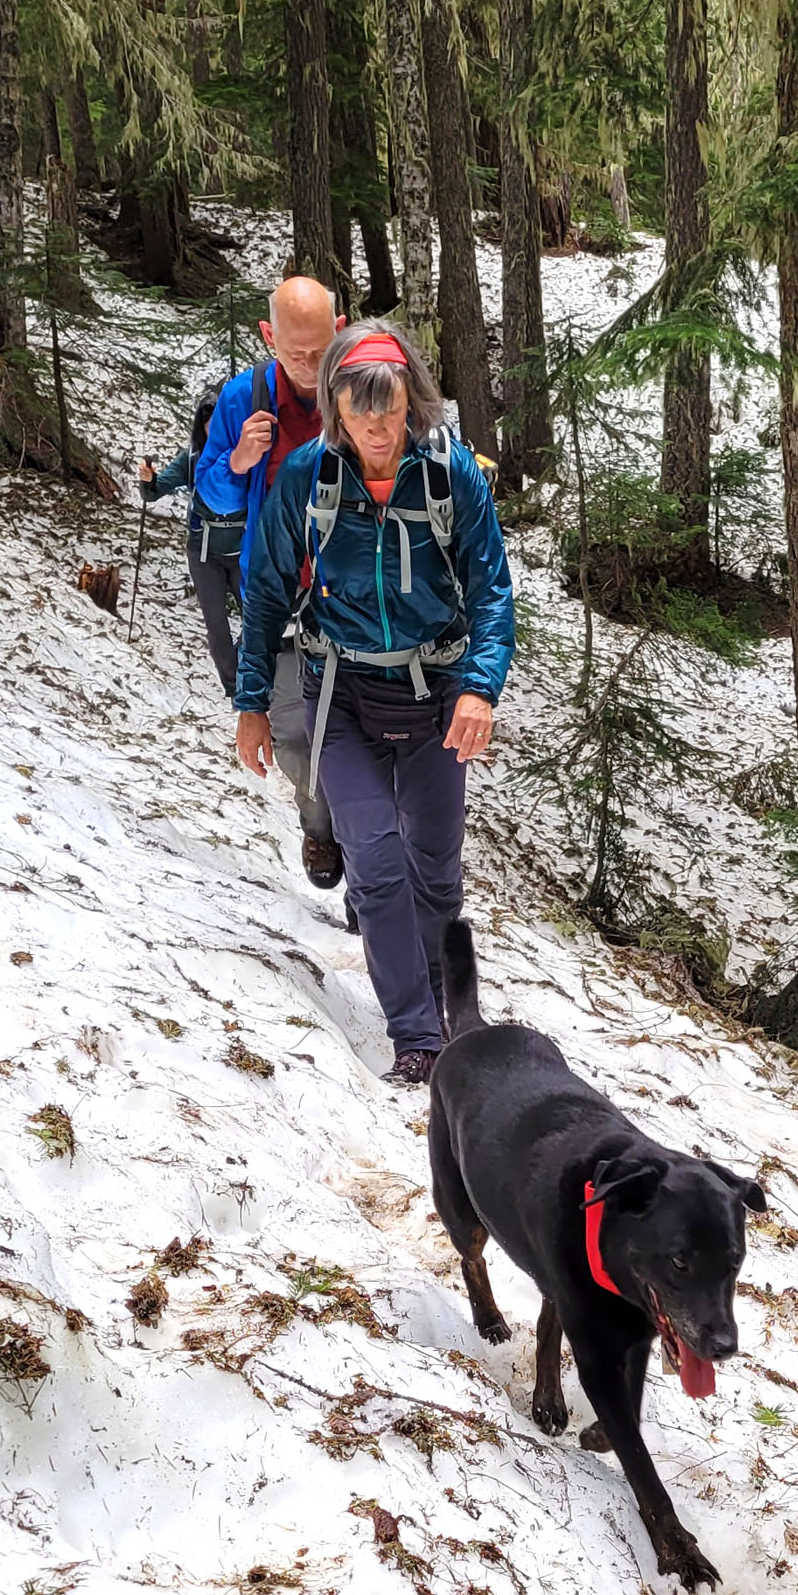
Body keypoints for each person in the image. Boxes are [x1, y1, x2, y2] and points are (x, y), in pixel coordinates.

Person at [236, 320, 514, 1086]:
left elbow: (492, 590)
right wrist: (252, 701)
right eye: (361, 413)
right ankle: (417, 1037)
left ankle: (450, 1010)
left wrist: (481, 689)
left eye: (389, 411)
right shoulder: (306, 478)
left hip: (436, 696)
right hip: (343, 697)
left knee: (436, 870)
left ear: (410, 403)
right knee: (376, 862)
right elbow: (263, 594)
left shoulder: (451, 475)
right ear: (337, 410)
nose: (377, 428)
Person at [143, 277, 344, 887]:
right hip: (279, 593)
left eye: (319, 351)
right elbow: (208, 489)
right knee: (291, 736)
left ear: (339, 332)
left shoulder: (362, 390)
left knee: (363, 741)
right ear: (269, 337)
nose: (310, 368)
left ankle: (371, 866)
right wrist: (238, 462)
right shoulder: (242, 399)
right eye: (295, 353)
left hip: (359, 596)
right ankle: (322, 829)